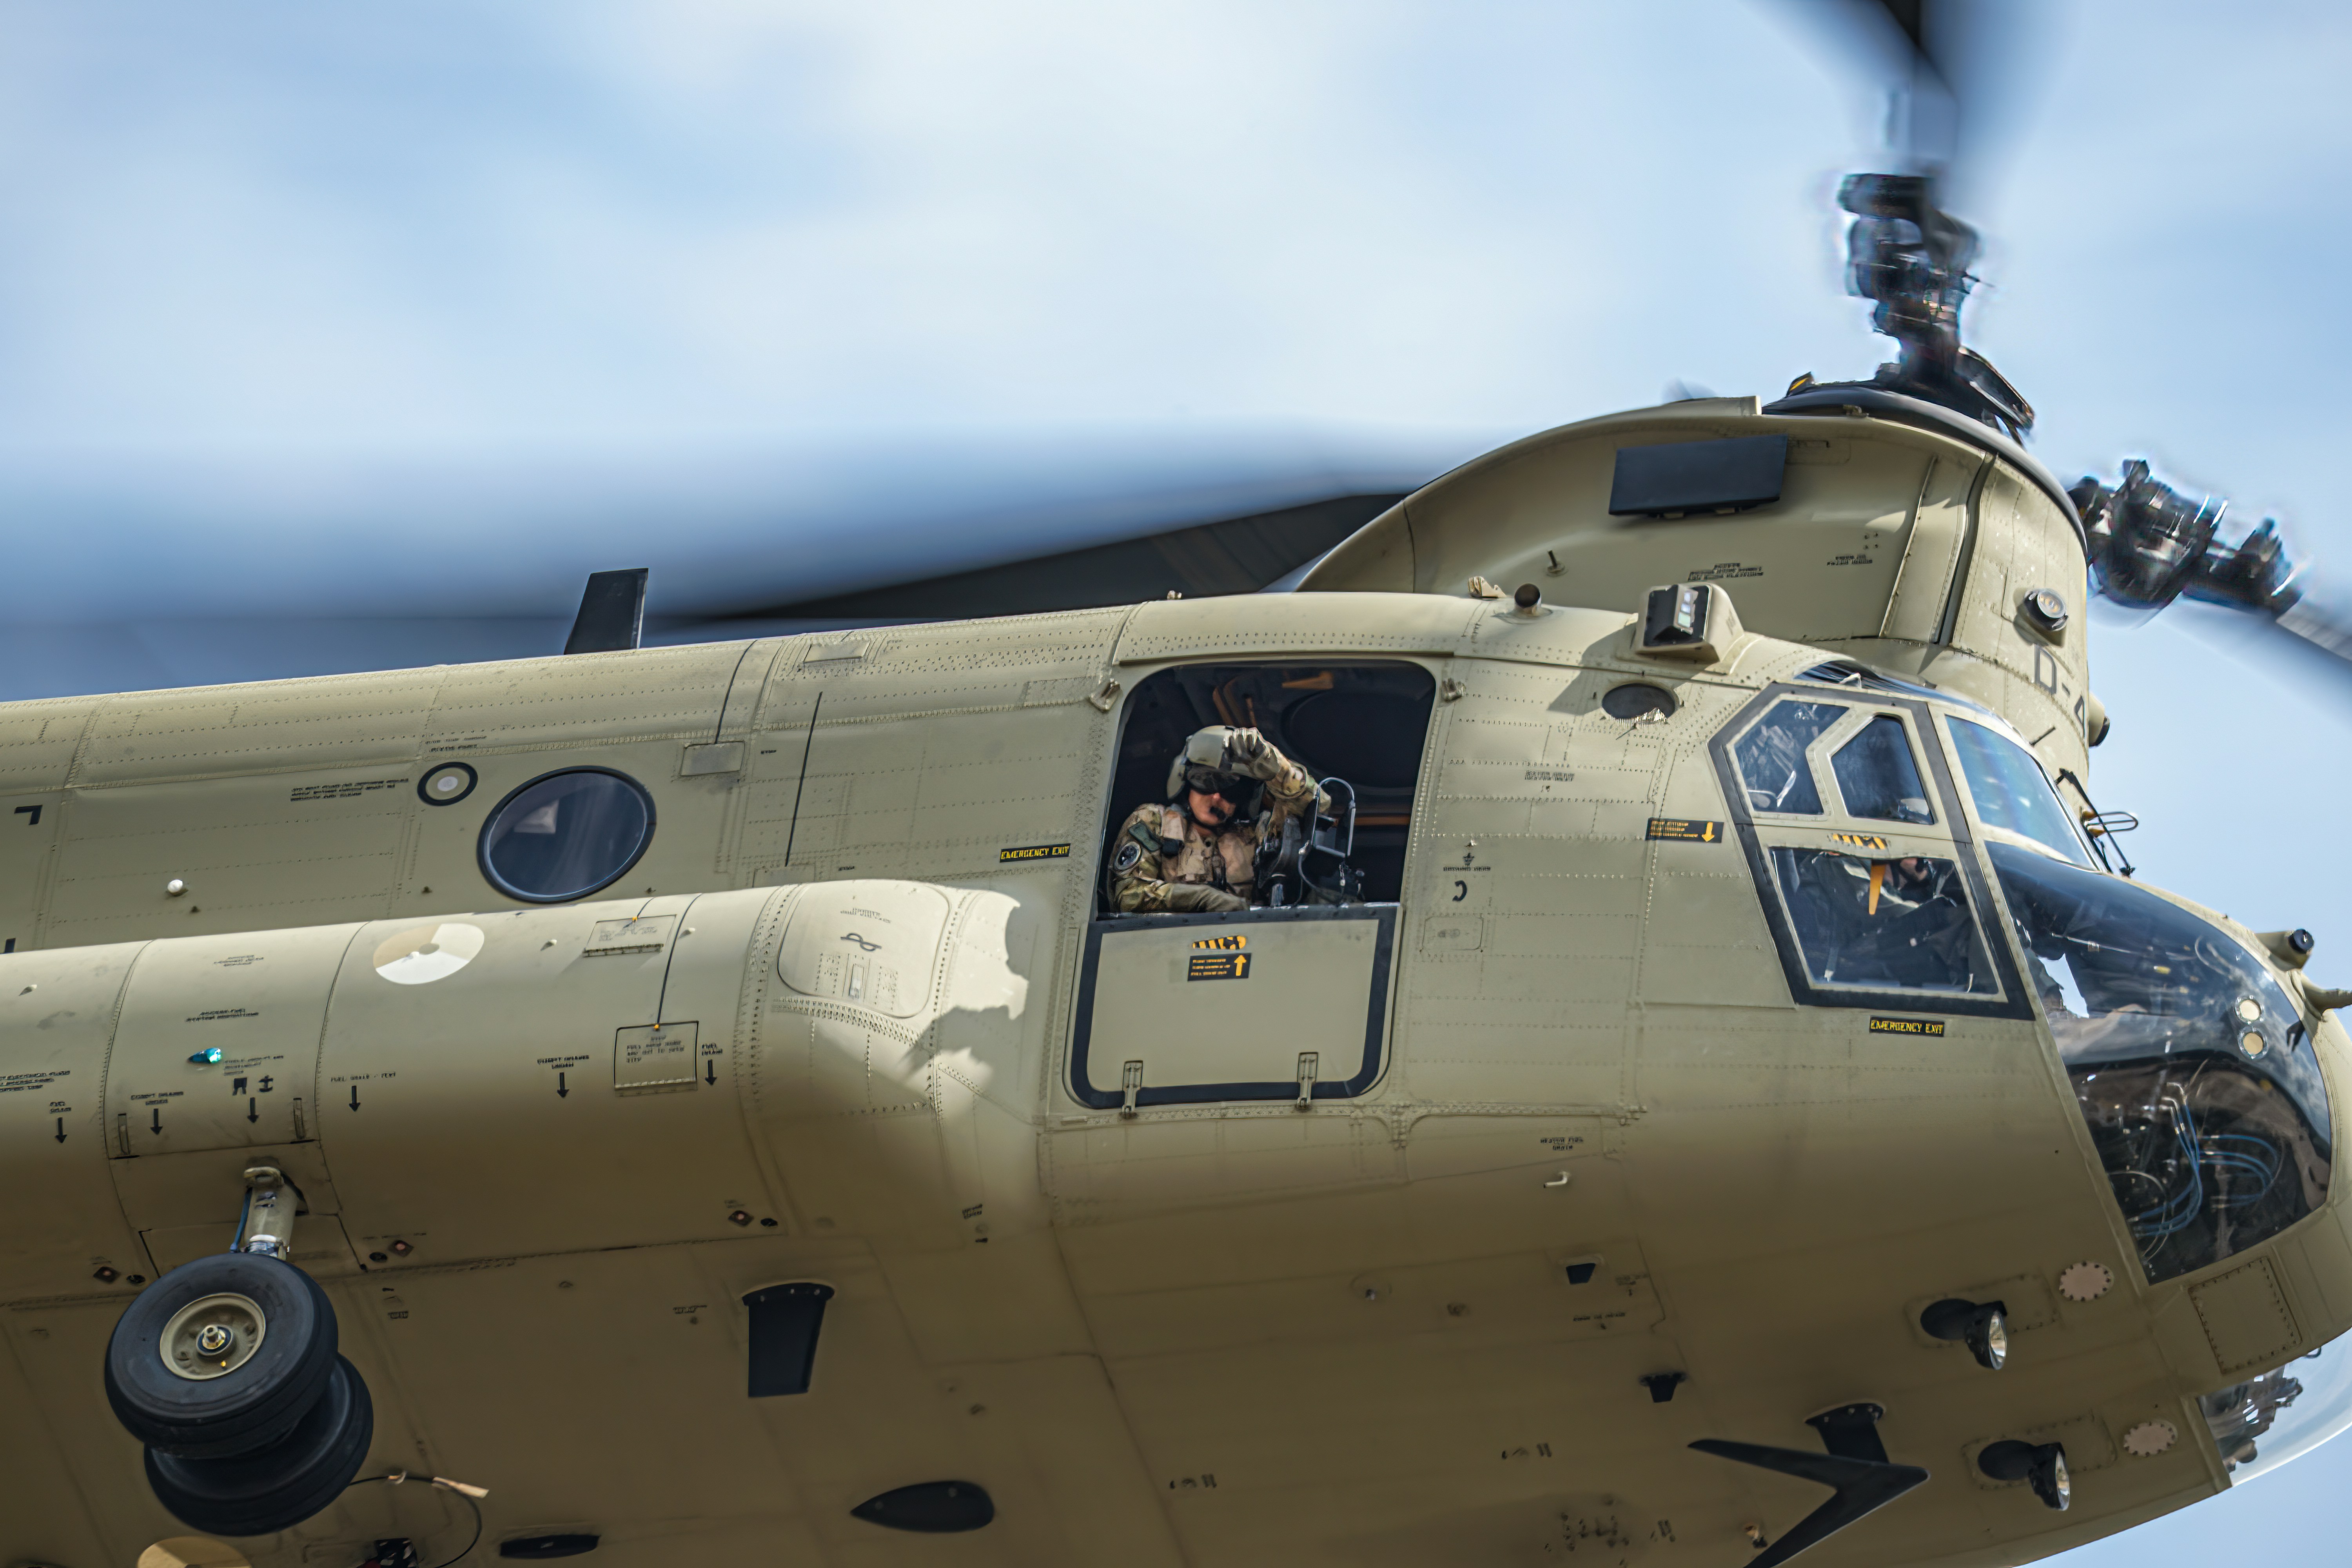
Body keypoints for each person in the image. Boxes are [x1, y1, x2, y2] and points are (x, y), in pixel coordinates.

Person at [1107, 725, 1328, 913]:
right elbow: (1129, 896)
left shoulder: (1257, 834)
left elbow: (1319, 806)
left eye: (1231, 791)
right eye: (1206, 781)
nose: (1216, 797)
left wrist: (1278, 768)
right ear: (1185, 780)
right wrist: (1203, 898)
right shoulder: (1155, 822)